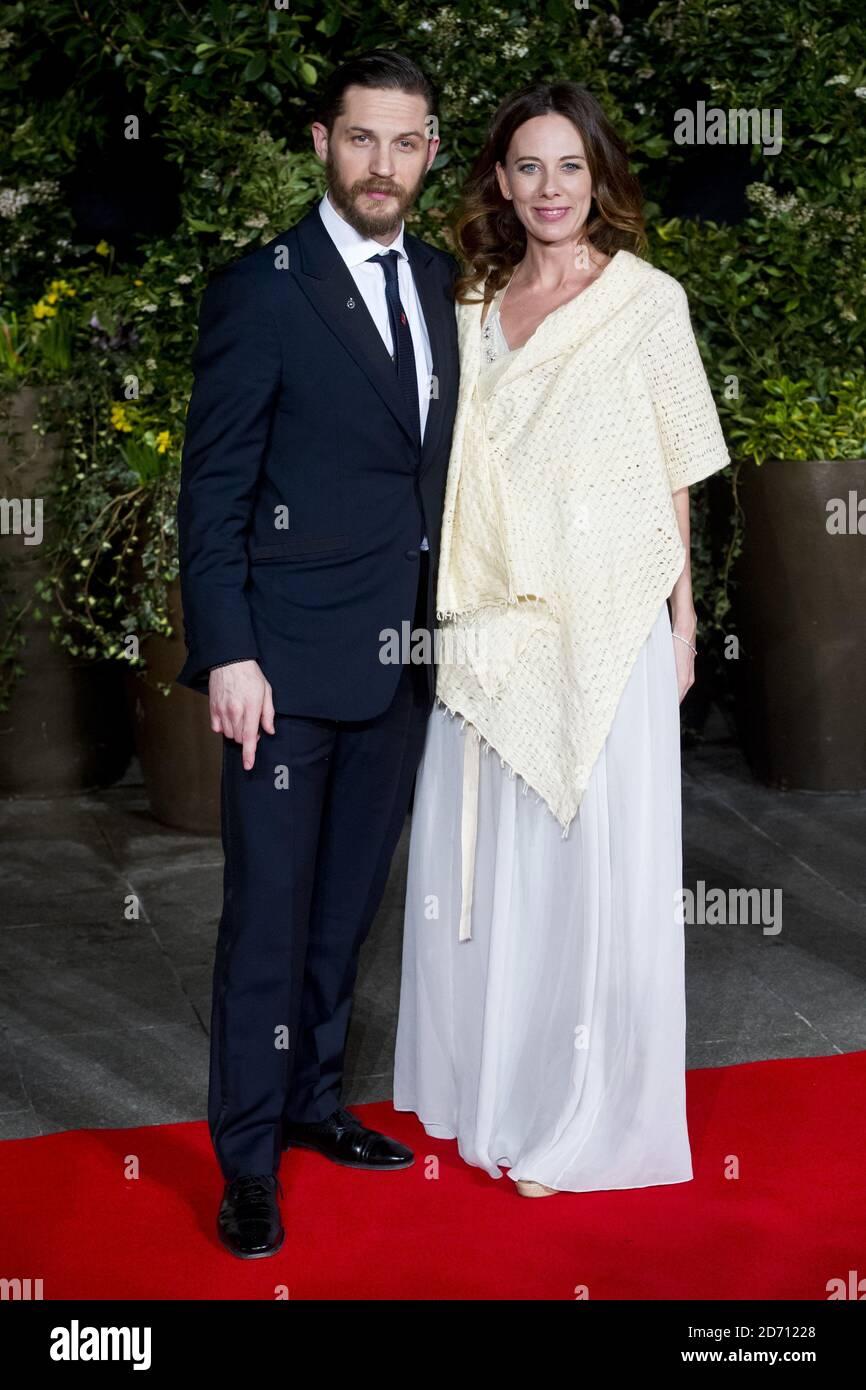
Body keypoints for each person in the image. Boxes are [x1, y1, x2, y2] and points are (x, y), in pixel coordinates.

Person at [394, 82, 730, 1198]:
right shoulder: (468, 302)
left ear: (599, 179)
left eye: (569, 168)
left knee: (587, 875)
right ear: (497, 179)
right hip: (489, 629)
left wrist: (684, 622)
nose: (548, 190)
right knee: (495, 872)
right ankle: (495, 1090)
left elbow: (673, 472)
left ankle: (580, 1119)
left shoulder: (646, 303)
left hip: (603, 622)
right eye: (527, 168)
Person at [176, 50, 460, 1257]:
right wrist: (227, 652)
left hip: (401, 662)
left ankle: (311, 1100)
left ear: (430, 151)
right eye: (360, 140)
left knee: (345, 912)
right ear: (320, 144)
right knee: (268, 923)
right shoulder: (264, 288)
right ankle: (245, 1160)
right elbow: (214, 490)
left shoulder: (446, 281)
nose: (380, 165)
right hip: (280, 674)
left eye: (403, 143)